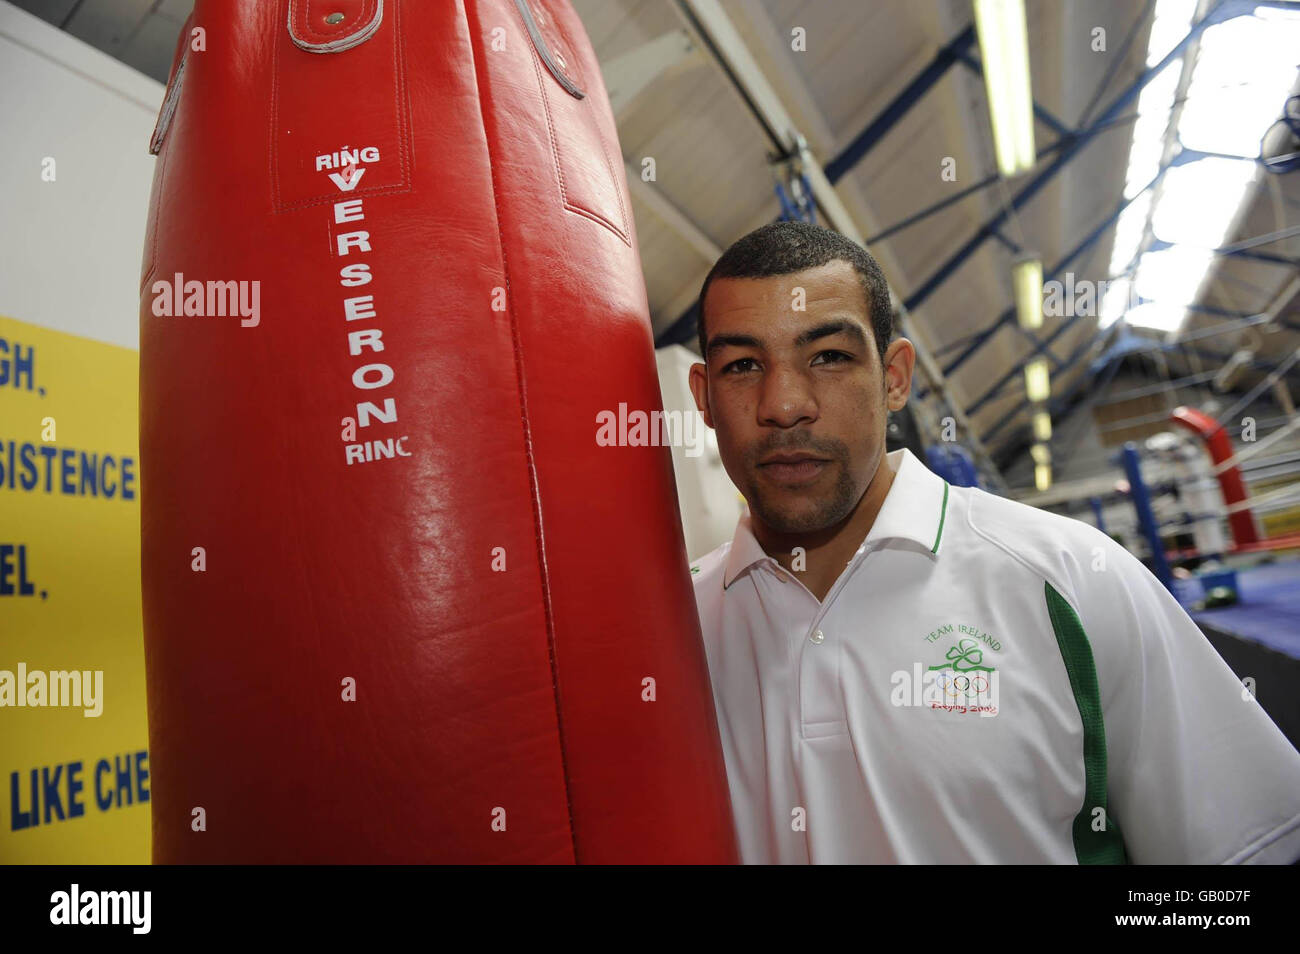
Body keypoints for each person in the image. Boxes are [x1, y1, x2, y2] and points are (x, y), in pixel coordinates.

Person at [686, 220, 1300, 864]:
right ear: (703, 396)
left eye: (830, 357)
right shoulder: (676, 631)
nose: (784, 404)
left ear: (894, 377)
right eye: (744, 365)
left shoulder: (1068, 579)